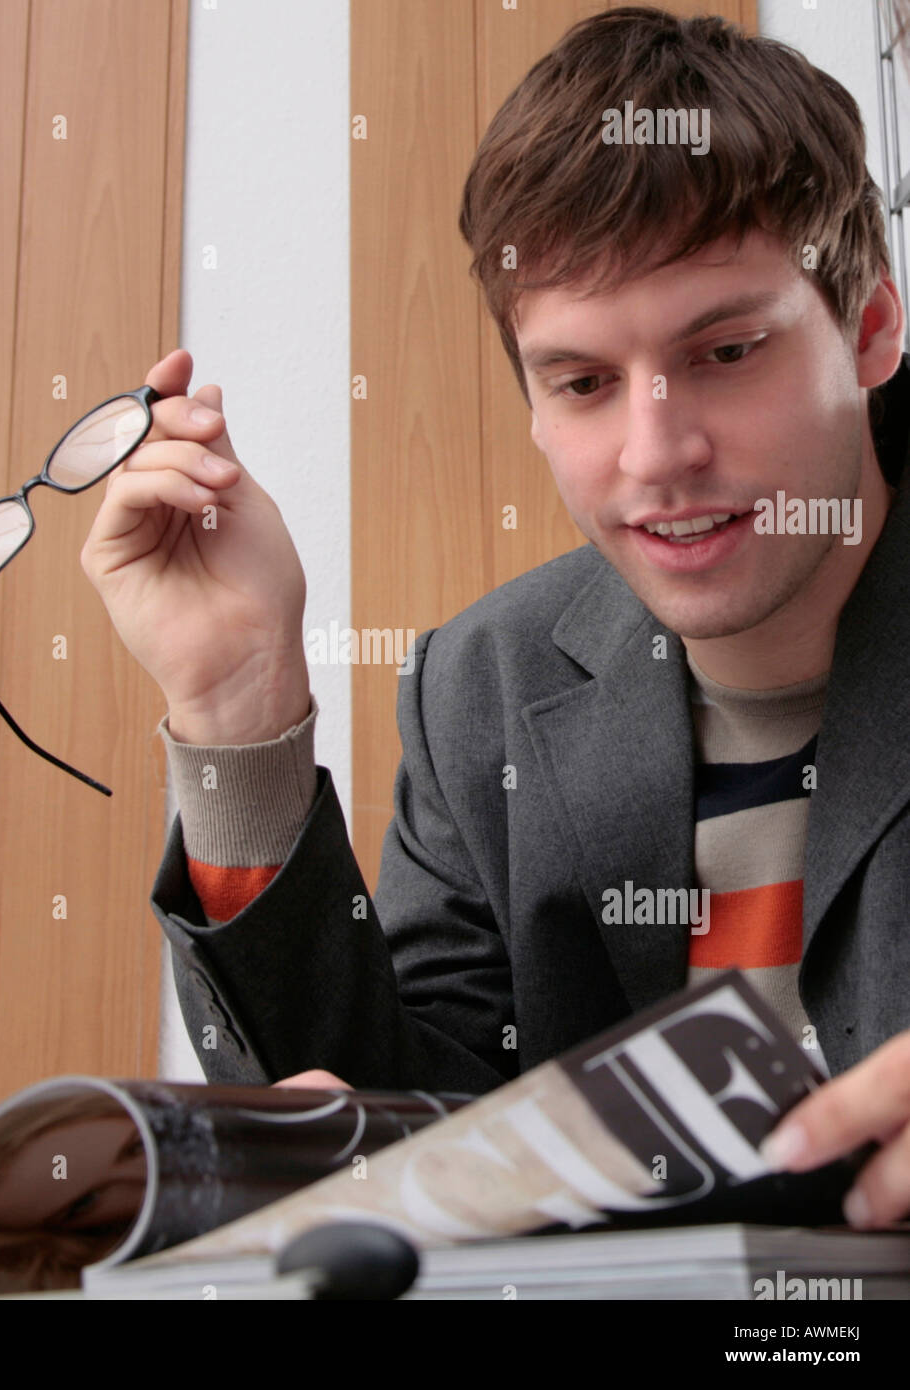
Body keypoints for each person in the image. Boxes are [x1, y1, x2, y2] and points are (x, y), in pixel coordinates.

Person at [80, 7, 910, 1231]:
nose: (657, 452)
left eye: (728, 351)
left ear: (873, 329)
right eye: (582, 382)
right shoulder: (485, 686)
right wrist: (236, 710)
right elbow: (395, 1133)